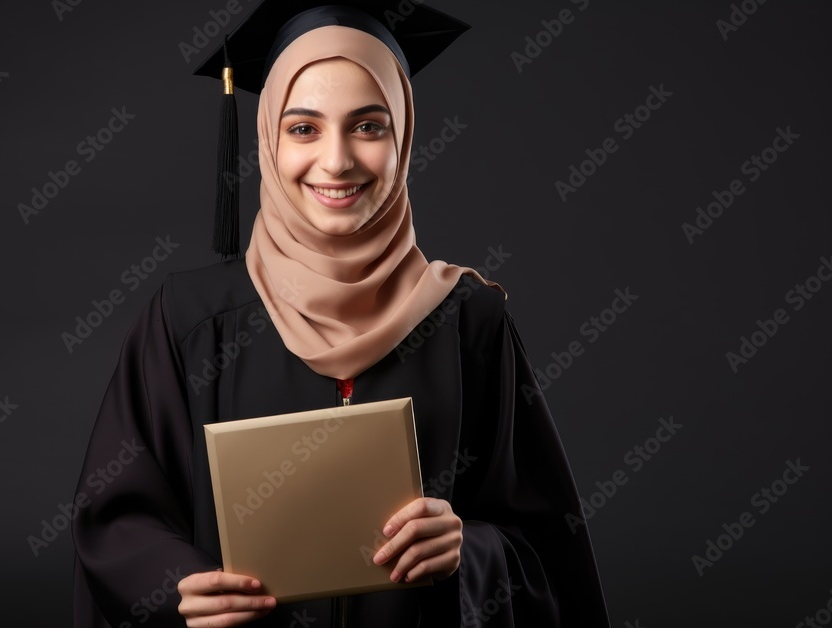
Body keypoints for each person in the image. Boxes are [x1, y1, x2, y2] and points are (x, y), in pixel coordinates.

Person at [71, 2, 611, 626]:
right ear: (268, 140)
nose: (336, 161)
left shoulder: (470, 322)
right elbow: (117, 520)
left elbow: (548, 552)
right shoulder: (191, 321)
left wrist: (472, 550)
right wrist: (175, 583)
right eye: (303, 129)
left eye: (368, 126)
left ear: (404, 136)